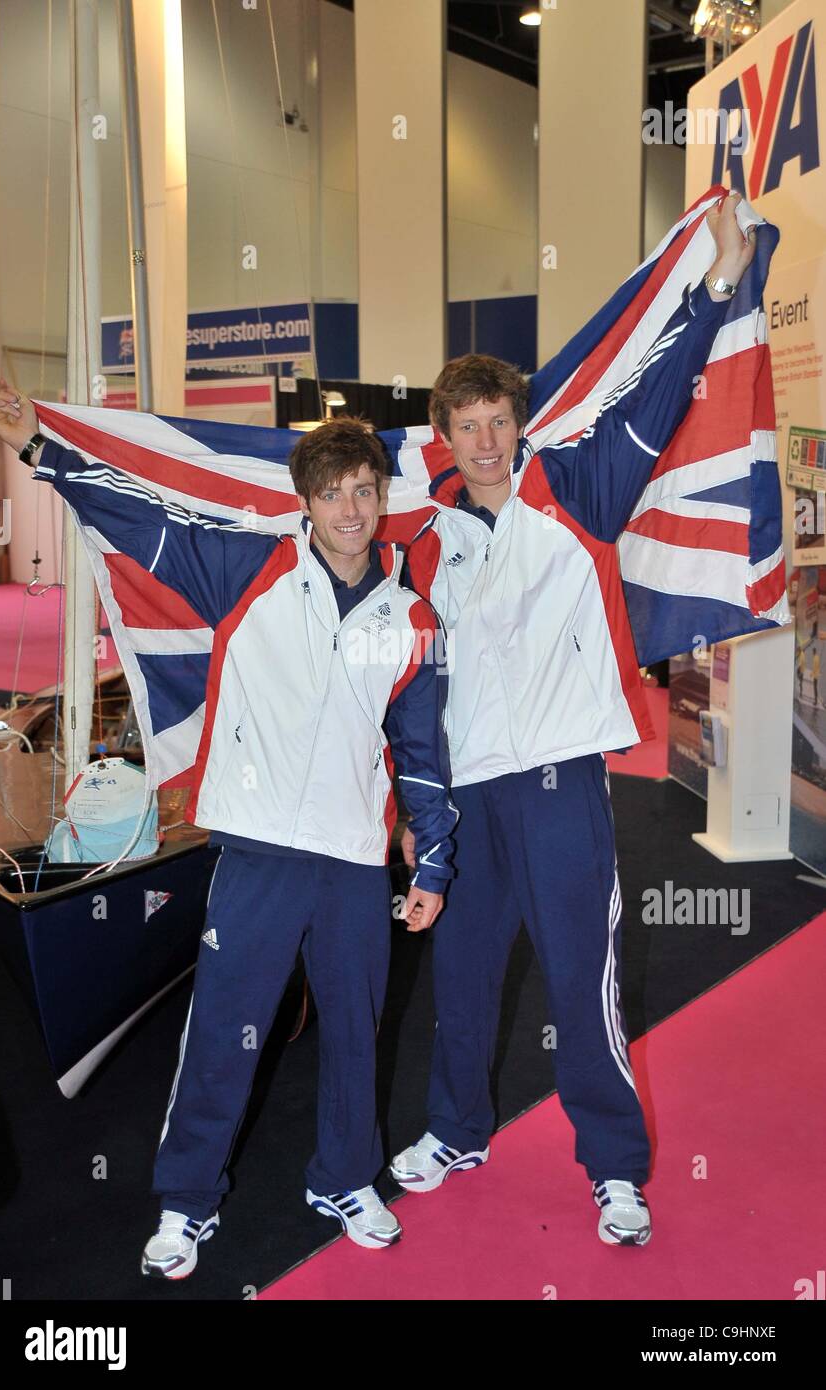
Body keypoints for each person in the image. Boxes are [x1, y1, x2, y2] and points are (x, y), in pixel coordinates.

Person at [0, 393, 458, 1275]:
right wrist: (41, 450)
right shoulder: (247, 569)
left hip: (353, 863)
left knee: (357, 1032)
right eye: (333, 493)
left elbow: (422, 751)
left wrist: (430, 856)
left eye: (364, 490)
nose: (351, 509)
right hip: (257, 855)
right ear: (305, 503)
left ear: (381, 498)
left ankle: (346, 1179)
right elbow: (137, 517)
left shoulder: (413, 619)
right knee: (223, 1033)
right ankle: (186, 1202)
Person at [391, 190, 757, 1246]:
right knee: (457, 983)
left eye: (499, 420)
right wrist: (418, 807)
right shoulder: (422, 543)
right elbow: (415, 681)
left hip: (556, 783)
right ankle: (455, 1131)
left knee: (579, 977)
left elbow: (661, 395)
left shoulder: (578, 488)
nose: (486, 439)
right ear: (446, 440)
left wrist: (718, 279)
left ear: (520, 422)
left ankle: (613, 1167)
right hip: (467, 792)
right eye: (466, 427)